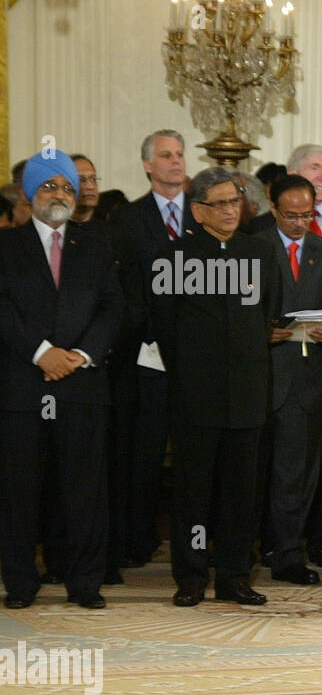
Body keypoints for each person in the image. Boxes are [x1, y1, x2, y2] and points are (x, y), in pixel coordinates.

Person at [150, 167, 279, 607]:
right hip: (195, 395)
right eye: (220, 203)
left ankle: (235, 576)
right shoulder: (175, 257)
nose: (230, 210)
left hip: (247, 393)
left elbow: (266, 316)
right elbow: (165, 328)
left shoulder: (260, 253)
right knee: (194, 493)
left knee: (242, 492)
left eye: (235, 200)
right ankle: (190, 576)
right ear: (199, 210)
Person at [0, 150, 123, 610]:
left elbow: (114, 307)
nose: (60, 194)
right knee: (19, 489)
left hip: (82, 384)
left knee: (85, 490)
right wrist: (41, 353)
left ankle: (85, 582)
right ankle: (20, 582)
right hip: (22, 386)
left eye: (68, 187)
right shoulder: (6, 246)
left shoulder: (96, 243)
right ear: (29, 194)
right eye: (50, 186)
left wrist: (81, 354)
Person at [258, 175, 322, 585]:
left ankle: (287, 553)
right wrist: (262, 331)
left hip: (306, 378)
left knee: (296, 474)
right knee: (252, 472)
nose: (299, 223)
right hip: (259, 377)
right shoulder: (252, 248)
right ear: (273, 209)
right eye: (291, 216)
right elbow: (233, 312)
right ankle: (243, 546)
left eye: (307, 215)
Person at [111, 128, 197, 571]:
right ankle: (138, 538)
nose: (176, 162)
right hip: (148, 355)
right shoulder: (127, 219)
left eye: (180, 154)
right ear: (147, 165)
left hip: (198, 355)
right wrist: (155, 336)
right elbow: (127, 290)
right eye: (166, 155)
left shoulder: (202, 213)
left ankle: (196, 543)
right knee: (144, 453)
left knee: (195, 455)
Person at [69, 155, 99, 223]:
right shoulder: (53, 229)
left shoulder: (109, 231)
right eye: (81, 180)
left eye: (93, 179)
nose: (90, 186)